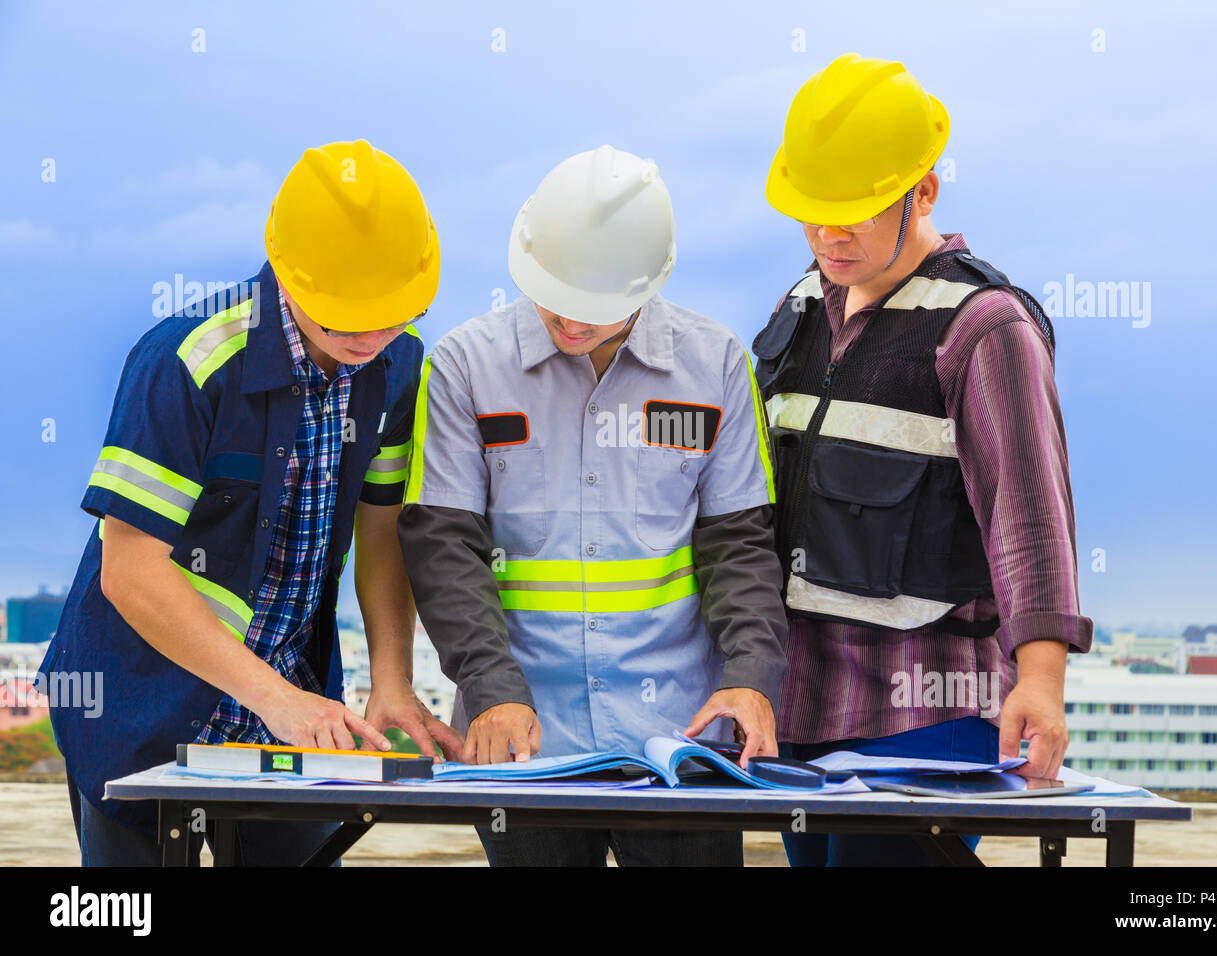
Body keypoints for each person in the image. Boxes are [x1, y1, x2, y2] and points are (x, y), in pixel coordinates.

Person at [40, 139, 463, 866]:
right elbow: (130, 572)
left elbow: (383, 526)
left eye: (391, 316)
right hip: (138, 705)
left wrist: (390, 679)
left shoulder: (397, 364)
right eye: (345, 322)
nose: (369, 339)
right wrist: (277, 699)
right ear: (290, 276)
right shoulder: (186, 361)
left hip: (291, 713)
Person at [398, 145, 788, 867]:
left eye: (596, 310)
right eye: (558, 301)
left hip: (683, 748)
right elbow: (442, 547)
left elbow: (741, 547)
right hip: (521, 741)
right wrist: (489, 689)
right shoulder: (464, 367)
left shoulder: (718, 367)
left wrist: (750, 677)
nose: (571, 324)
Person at [755, 55, 1093, 866]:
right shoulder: (799, 307)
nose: (830, 236)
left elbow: (1030, 517)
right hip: (801, 712)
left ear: (925, 192)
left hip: (924, 717)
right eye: (813, 213)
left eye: (858, 214)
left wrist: (1041, 683)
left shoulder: (985, 329)